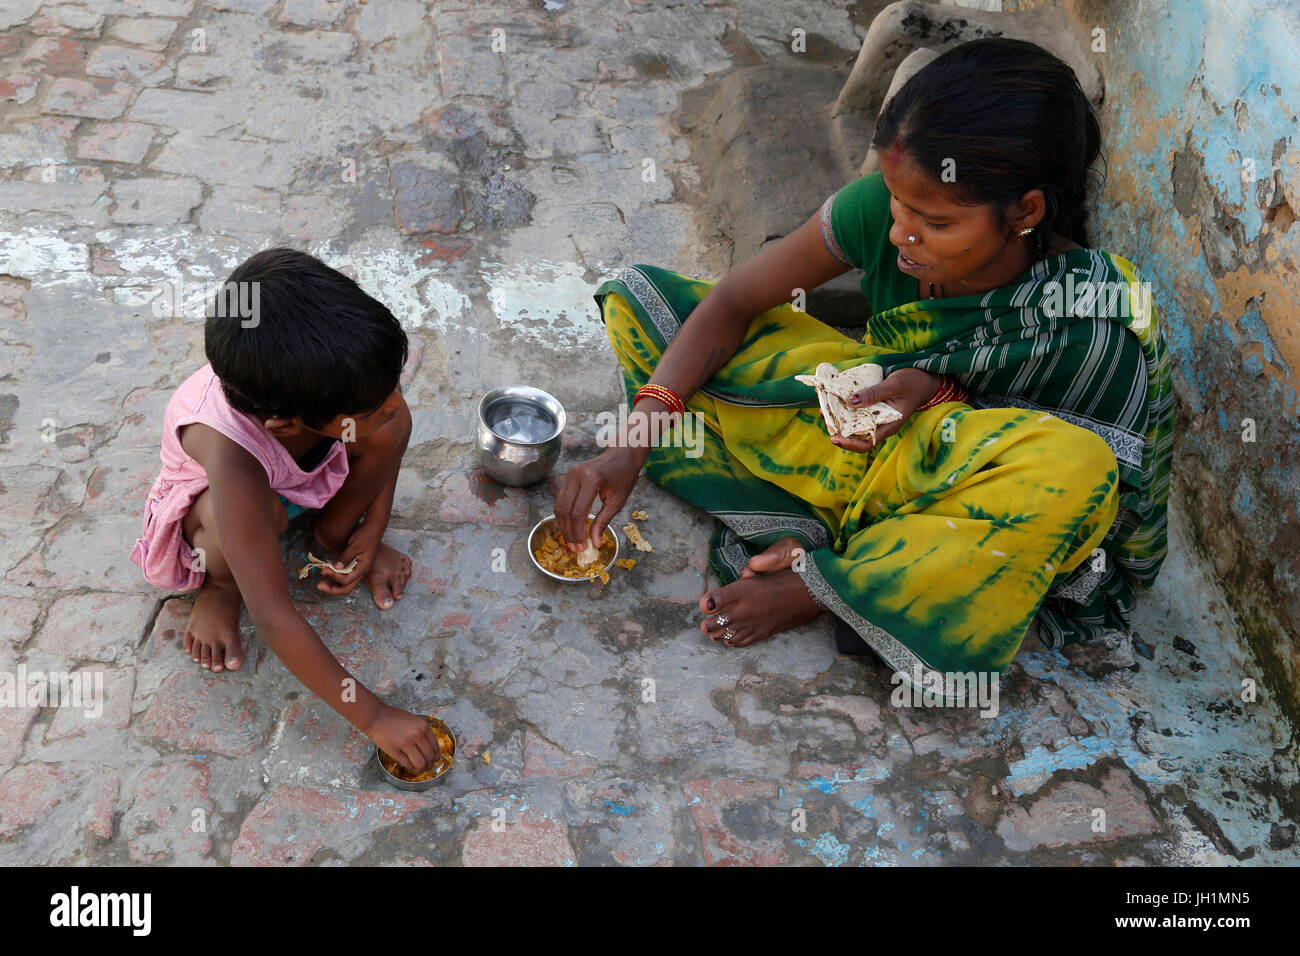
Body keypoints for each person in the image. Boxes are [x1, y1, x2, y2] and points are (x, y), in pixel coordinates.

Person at [554, 38, 1173, 694]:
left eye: (935, 223)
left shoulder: (1089, 325)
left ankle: (824, 584)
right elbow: (734, 301)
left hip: (948, 494)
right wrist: (633, 442)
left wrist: (934, 395)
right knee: (648, 302)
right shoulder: (886, 207)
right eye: (897, 204)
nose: (901, 232)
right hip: (860, 443)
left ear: (1025, 212)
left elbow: (1075, 507)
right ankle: (858, 555)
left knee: (1074, 471)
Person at [130, 248, 440, 772]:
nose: (394, 401)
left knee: (391, 430)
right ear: (287, 424)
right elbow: (274, 618)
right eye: (374, 404)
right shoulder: (231, 457)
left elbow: (390, 426)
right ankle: (221, 587)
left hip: (299, 476)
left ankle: (333, 535)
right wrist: (375, 717)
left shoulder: (327, 385)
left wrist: (371, 530)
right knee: (232, 535)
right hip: (229, 508)